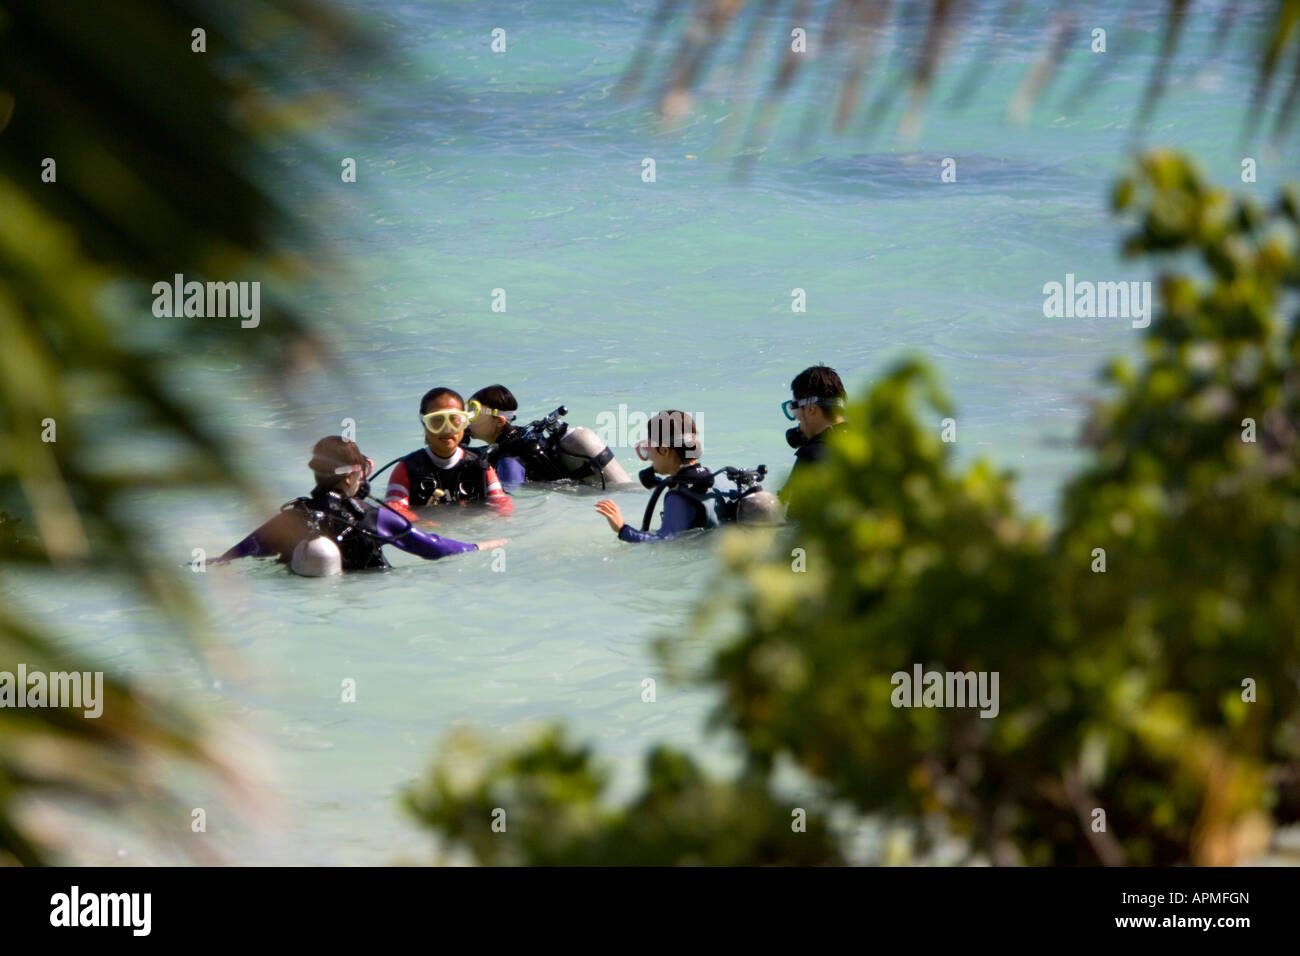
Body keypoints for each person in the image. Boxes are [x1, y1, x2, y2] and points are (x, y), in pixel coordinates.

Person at [220, 436, 506, 573]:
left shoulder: (294, 516)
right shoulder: (373, 518)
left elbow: (234, 556)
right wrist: (484, 545)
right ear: (354, 474)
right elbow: (435, 550)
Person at [463, 384, 629, 487]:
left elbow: (511, 502)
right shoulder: (520, 437)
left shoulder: (509, 460)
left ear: (499, 421)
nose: (467, 419)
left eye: (474, 413)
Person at [384, 387, 513, 520]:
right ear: (425, 424)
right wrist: (423, 524)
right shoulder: (407, 469)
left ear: (464, 423)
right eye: (437, 420)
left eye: (454, 420)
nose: (446, 429)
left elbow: (503, 509)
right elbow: (392, 513)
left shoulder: (481, 467)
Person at [594, 411, 722, 542]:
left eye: (649, 446)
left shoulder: (678, 497)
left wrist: (621, 528)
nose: (648, 455)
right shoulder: (715, 478)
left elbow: (662, 542)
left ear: (664, 450)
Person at [779, 364, 847, 511]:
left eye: (795, 411)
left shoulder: (811, 456)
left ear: (811, 408)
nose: (797, 420)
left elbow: (790, 519)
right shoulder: (862, 443)